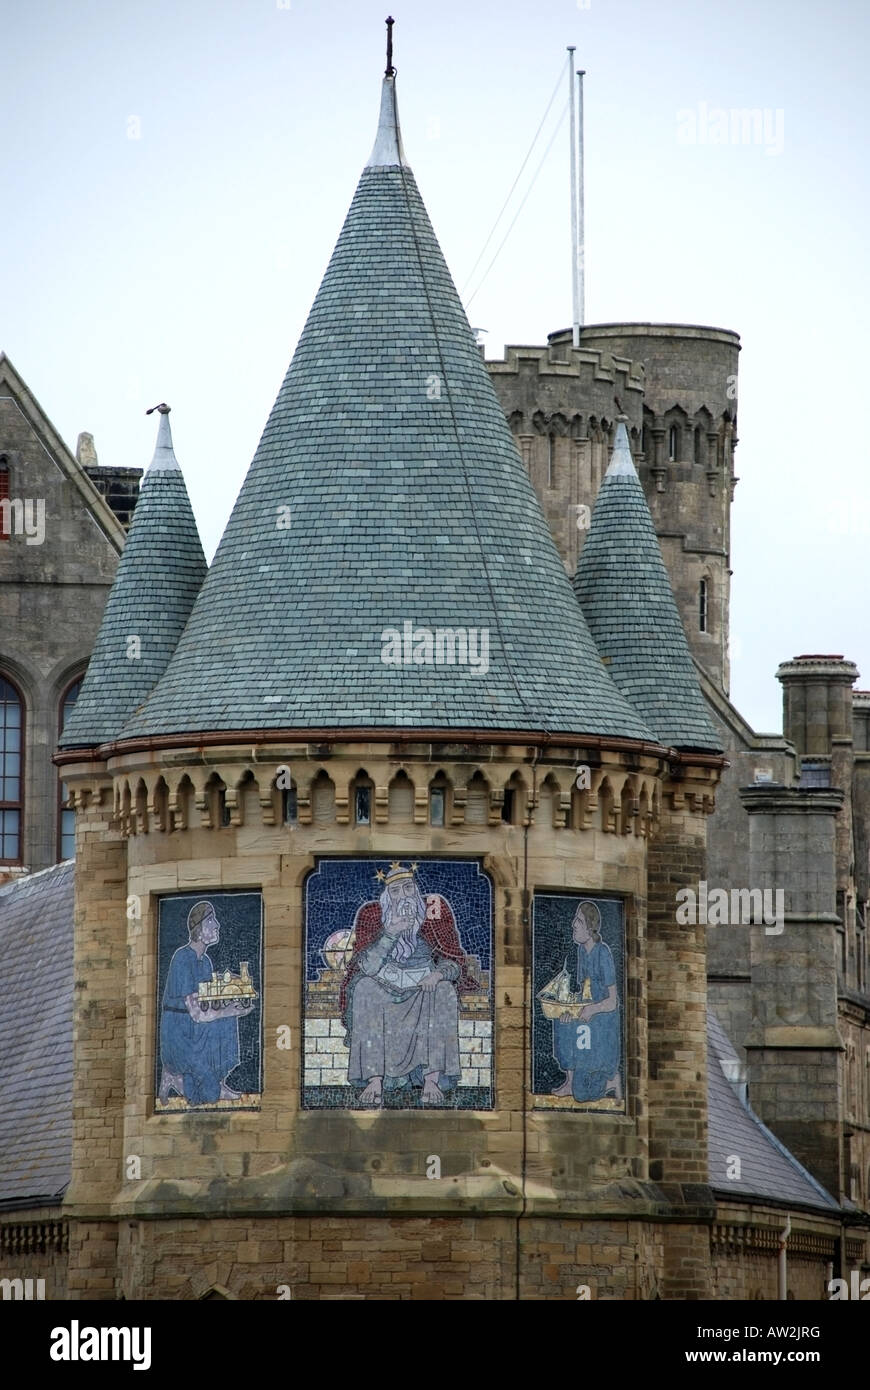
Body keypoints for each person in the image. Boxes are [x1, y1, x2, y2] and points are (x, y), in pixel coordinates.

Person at [340, 863, 476, 1107]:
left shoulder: (435, 914)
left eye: (408, 888)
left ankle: (431, 1079)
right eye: (395, 891)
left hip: (423, 987)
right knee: (364, 989)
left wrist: (438, 975)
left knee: (444, 990)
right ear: (386, 898)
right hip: (383, 987)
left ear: (416, 890)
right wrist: (390, 933)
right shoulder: (372, 916)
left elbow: (454, 962)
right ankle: (374, 1079)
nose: (403, 896)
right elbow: (366, 968)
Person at [158, 900, 247, 1105]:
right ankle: (174, 1075)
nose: (217, 925)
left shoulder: (205, 961)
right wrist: (229, 1010)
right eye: (211, 921)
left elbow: (209, 1002)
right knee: (205, 1097)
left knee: (227, 1021)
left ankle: (218, 1080)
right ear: (198, 929)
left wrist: (233, 1004)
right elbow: (196, 1012)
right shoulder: (182, 958)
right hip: (180, 1033)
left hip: (194, 1028)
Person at [550, 900, 621, 1103]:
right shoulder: (582, 951)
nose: (573, 924)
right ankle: (569, 1080)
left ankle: (610, 1082)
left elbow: (612, 1001)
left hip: (603, 1020)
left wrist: (591, 1009)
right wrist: (570, 1008)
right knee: (561, 1020)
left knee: (582, 1095)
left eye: (579, 921)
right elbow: (585, 990)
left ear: (590, 928)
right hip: (589, 1013)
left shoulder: (603, 953)